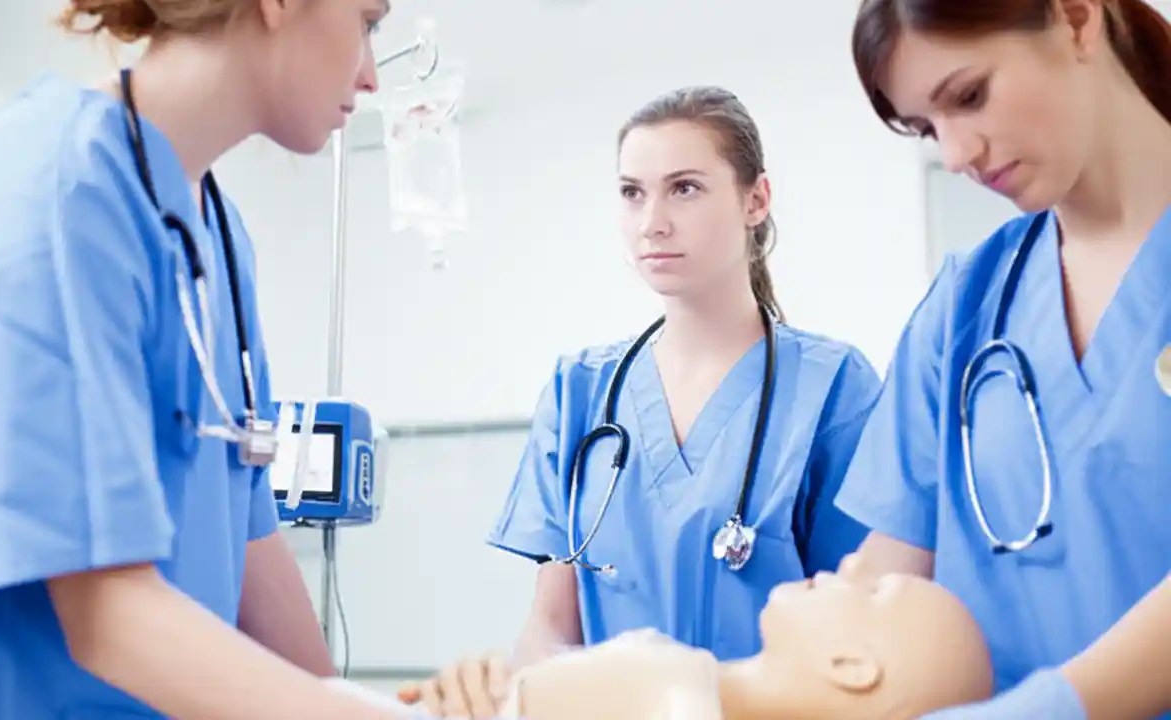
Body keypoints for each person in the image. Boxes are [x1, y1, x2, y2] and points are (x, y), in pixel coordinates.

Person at [0, 0, 436, 718]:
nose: (369, 75)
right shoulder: (47, 192)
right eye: (367, 22)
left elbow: (248, 543)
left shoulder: (215, 232)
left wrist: (342, 699)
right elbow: (106, 616)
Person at [399, 86, 882, 718]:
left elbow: (857, 635)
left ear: (755, 199)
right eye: (632, 192)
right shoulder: (580, 392)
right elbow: (550, 629)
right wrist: (508, 692)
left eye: (684, 188)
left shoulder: (832, 388)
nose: (652, 220)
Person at [833, 0, 1171, 718]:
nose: (955, 156)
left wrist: (1049, 708)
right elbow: (884, 582)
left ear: (1077, 18)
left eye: (969, 96)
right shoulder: (964, 310)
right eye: (927, 128)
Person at [503, 555, 994, 720]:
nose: (853, 563)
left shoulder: (665, 681)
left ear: (850, 666)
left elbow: (508, 702)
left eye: (873, 592)